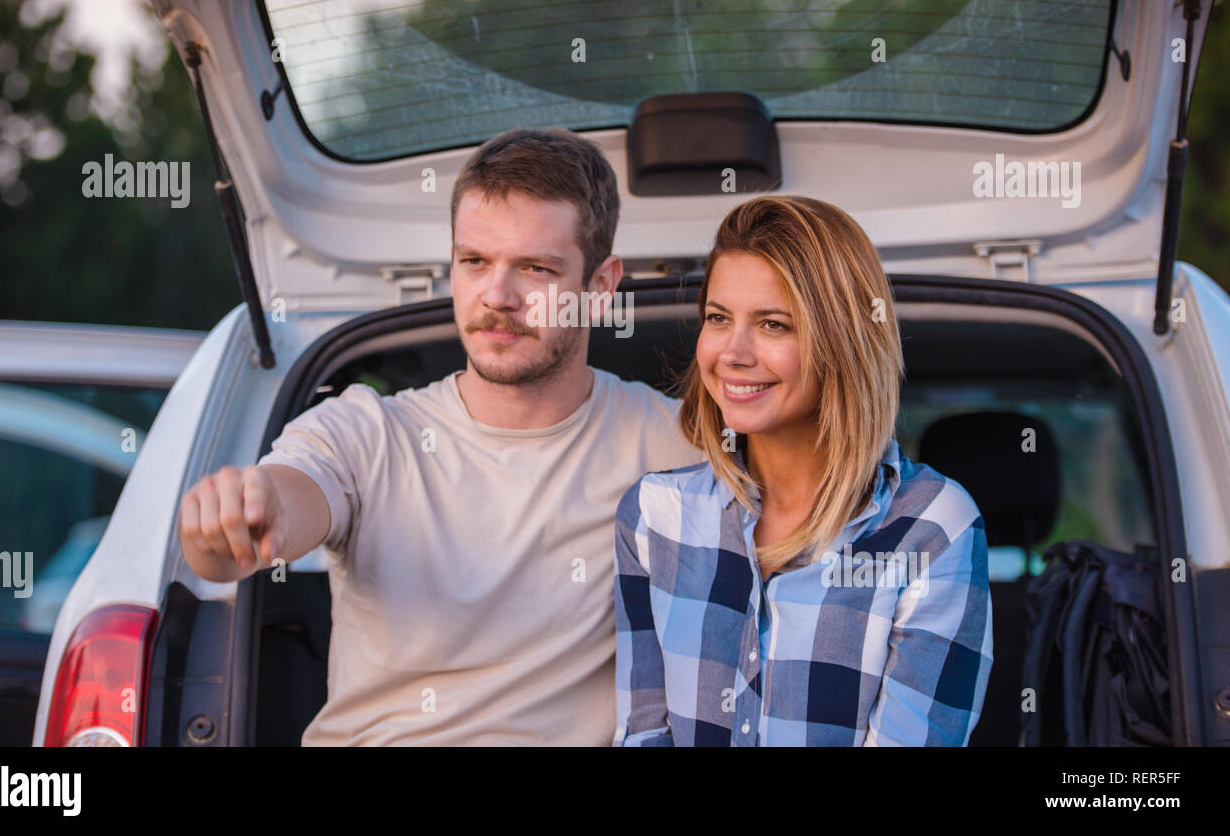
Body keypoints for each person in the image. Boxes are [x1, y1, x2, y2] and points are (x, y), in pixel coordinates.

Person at [176, 127, 706, 745]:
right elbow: (271, 515)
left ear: (601, 286)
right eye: (474, 261)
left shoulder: (672, 441)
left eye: (536, 268)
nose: (498, 296)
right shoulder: (365, 432)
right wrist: (234, 522)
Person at [613, 195, 993, 746]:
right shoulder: (654, 517)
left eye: (774, 324)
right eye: (718, 318)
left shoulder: (934, 528)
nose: (733, 353)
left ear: (842, 341)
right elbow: (643, 734)